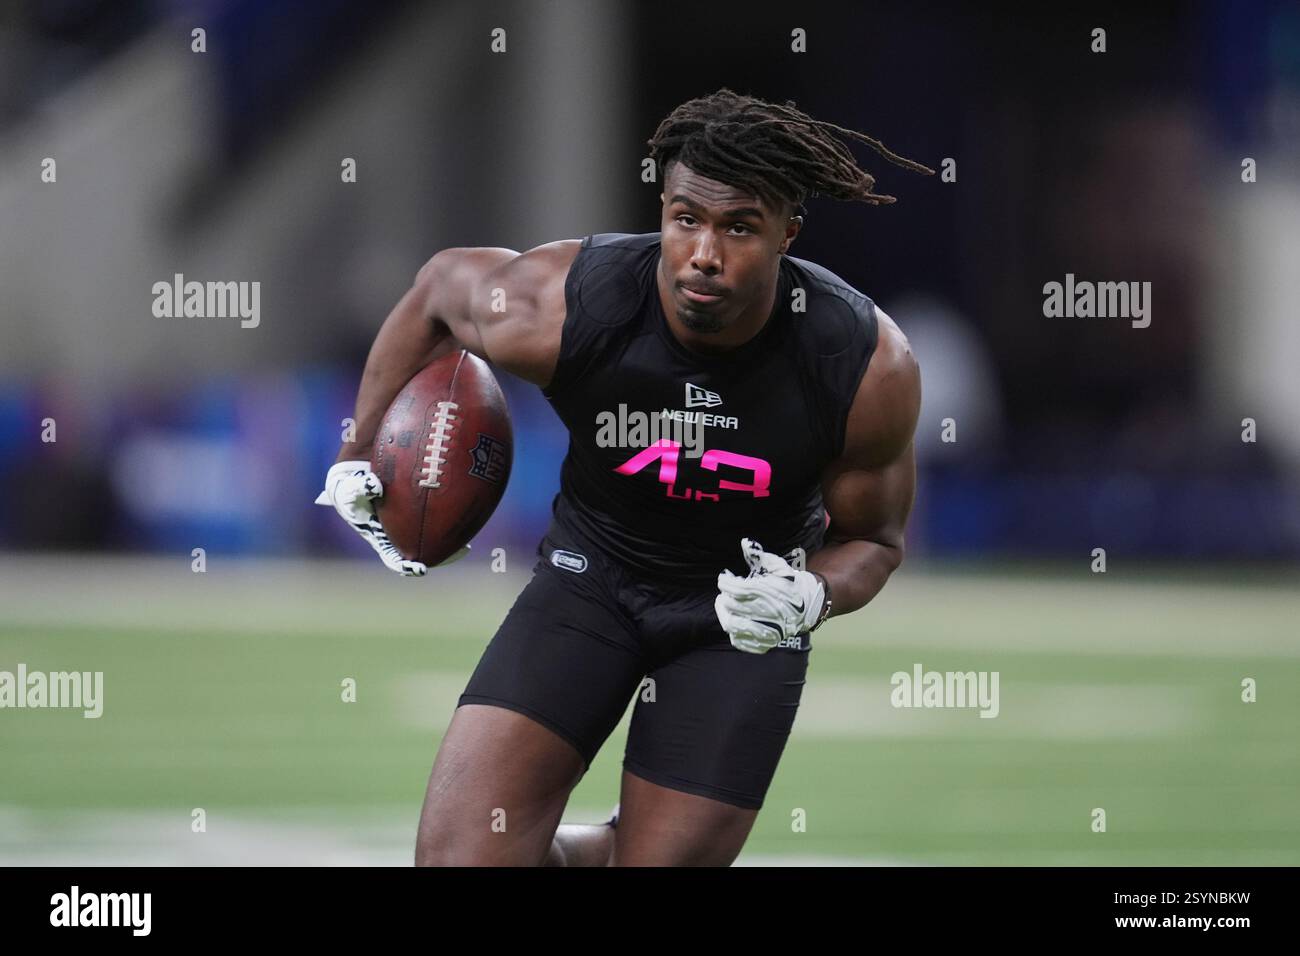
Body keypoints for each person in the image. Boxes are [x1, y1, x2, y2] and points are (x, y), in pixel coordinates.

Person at [316, 88, 930, 866]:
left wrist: (810, 595)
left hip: (736, 619)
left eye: (739, 227)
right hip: (590, 582)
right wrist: (355, 453)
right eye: (686, 220)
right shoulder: (574, 304)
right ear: (664, 212)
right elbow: (438, 289)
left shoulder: (862, 360)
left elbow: (874, 539)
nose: (704, 253)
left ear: (788, 233)